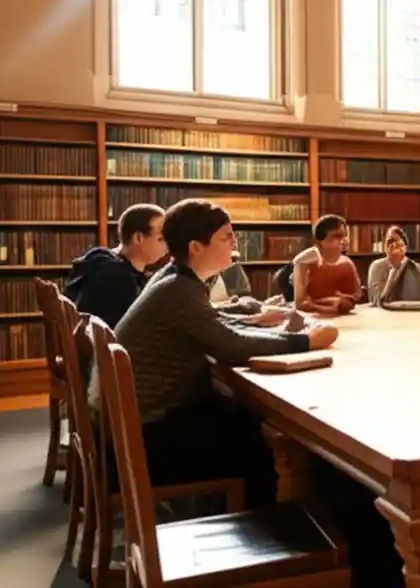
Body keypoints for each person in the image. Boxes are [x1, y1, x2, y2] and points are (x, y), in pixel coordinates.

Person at [112, 199, 339, 506]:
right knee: (256, 436)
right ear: (196, 247)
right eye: (226, 236)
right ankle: (270, 530)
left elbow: (213, 323)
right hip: (149, 438)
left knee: (241, 415)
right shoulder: (178, 289)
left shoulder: (174, 277)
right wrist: (306, 342)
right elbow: (232, 346)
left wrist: (259, 322)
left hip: (136, 427)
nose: (235, 241)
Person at [65, 203, 168, 329]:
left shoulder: (101, 261)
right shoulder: (118, 278)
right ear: (139, 238)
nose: (167, 245)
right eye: (161, 239)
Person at [292, 215, 361, 315]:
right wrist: (329, 306)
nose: (343, 241)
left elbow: (357, 295)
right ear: (320, 241)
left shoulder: (348, 263)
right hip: (313, 319)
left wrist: (347, 300)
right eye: (336, 236)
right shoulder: (304, 262)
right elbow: (300, 303)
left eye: (344, 236)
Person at [367, 226, 420, 305]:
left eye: (398, 243)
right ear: (384, 247)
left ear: (405, 247)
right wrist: (394, 269)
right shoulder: (377, 267)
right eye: (390, 242)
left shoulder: (417, 270)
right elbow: (378, 301)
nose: (393, 246)